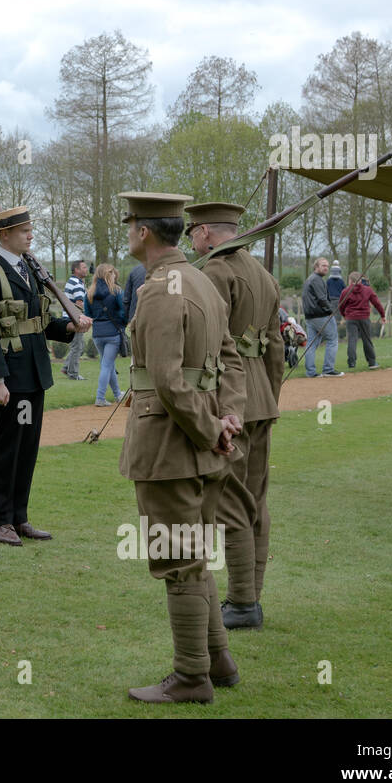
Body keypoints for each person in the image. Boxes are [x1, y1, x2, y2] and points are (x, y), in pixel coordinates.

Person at [117, 192, 245, 703]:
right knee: (194, 557)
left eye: (130, 225)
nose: (128, 233)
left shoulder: (160, 289)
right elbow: (232, 360)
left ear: (144, 232)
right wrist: (228, 416)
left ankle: (191, 677)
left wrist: (211, 427)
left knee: (178, 559)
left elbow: (168, 381)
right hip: (204, 443)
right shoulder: (200, 280)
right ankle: (217, 661)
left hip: (173, 447)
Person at [185, 201, 284, 631]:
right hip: (261, 396)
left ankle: (242, 602)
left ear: (206, 231)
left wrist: (217, 409)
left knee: (230, 499)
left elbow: (211, 348)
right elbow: (276, 348)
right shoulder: (263, 273)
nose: (191, 240)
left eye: (193, 233)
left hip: (232, 401)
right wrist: (268, 395)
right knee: (256, 499)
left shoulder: (215, 272)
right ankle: (251, 598)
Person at [0, 205, 91, 546]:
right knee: (9, 448)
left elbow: (38, 322)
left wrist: (68, 325)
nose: (31, 235)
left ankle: (19, 517)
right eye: (24, 230)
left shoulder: (31, 272)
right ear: (4, 235)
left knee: (28, 448)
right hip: (12, 377)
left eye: (30, 229)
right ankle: (1, 521)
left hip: (35, 374)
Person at [85, 263, 125, 406]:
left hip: (97, 334)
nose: (115, 276)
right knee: (107, 365)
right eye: (113, 273)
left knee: (108, 364)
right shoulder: (117, 291)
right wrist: (122, 323)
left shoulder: (89, 292)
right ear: (109, 274)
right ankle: (100, 397)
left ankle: (117, 394)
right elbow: (123, 311)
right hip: (113, 333)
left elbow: (88, 314)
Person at [302, 257, 342, 377]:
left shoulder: (310, 279)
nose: (326, 268)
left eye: (327, 266)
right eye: (323, 265)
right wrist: (331, 311)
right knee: (332, 340)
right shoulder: (316, 279)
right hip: (321, 315)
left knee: (311, 344)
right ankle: (328, 369)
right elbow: (322, 298)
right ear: (316, 267)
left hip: (310, 316)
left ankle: (311, 372)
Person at [338, 271, 387, 369]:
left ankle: (351, 363)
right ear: (360, 280)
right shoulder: (368, 290)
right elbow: (377, 303)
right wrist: (382, 315)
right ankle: (372, 362)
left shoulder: (345, 291)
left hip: (351, 318)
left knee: (352, 340)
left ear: (350, 280)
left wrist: (345, 315)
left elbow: (341, 306)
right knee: (367, 340)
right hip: (364, 318)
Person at [62, 260, 90, 380]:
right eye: (83, 267)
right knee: (77, 346)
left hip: (70, 317)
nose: (86, 269)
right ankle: (73, 374)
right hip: (74, 318)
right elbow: (79, 303)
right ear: (76, 270)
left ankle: (66, 367)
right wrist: (89, 315)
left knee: (79, 345)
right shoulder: (77, 284)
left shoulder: (75, 281)